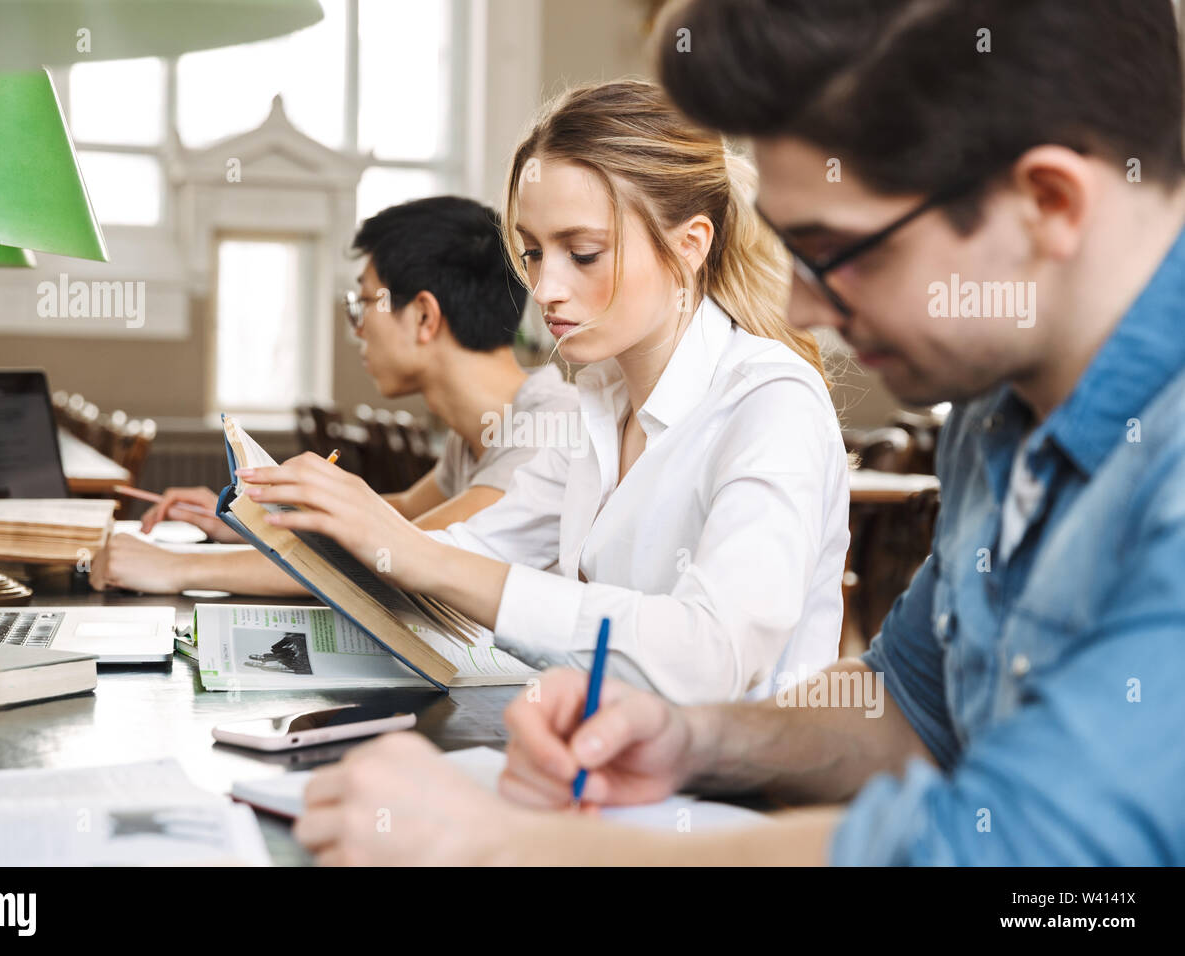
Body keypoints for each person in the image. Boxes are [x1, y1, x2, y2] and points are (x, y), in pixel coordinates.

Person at [291, 0, 1185, 865]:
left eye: (836, 248)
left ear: (1051, 203)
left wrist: (501, 848)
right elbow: (910, 708)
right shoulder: (995, 412)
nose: (799, 303)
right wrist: (694, 736)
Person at [234, 79, 850, 705]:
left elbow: (714, 655)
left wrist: (414, 552)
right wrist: (334, 522)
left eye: (582, 253)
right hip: (607, 765)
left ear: (690, 245)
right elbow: (468, 551)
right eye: (531, 252)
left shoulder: (773, 401)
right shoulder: (598, 404)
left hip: (745, 793)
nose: (545, 288)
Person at [89, 196, 577, 596]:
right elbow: (403, 512)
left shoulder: (545, 434)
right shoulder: (479, 431)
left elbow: (403, 554)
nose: (358, 328)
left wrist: (180, 569)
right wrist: (258, 521)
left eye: (362, 304)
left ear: (424, 317)